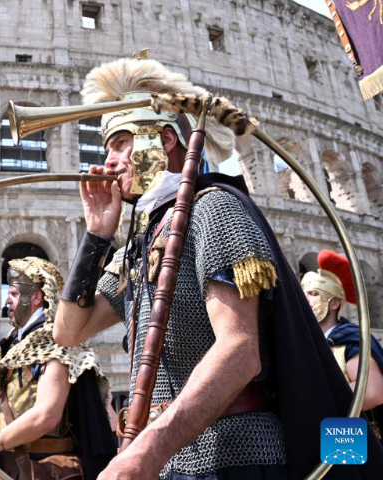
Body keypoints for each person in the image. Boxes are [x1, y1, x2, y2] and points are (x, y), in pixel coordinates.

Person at [52, 56, 383, 478]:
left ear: (165, 139)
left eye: (120, 143)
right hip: (171, 455)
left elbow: (240, 352)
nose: (110, 159)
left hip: (236, 455)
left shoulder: (216, 210)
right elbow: (69, 330)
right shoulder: (142, 241)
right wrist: (97, 236)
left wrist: (150, 448)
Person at [0, 257, 117, 479]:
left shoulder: (56, 342)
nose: (7, 301)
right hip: (5, 467)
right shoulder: (11, 346)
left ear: (36, 297)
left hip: (41, 469)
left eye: (14, 294)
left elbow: (47, 415)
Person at [301, 249, 383, 438]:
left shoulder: (349, 340)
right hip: (316, 433)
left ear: (334, 304)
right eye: (304, 294)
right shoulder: (313, 343)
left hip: (347, 433)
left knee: (343, 466)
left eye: (313, 293)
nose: (305, 300)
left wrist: (313, 401)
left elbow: (372, 391)